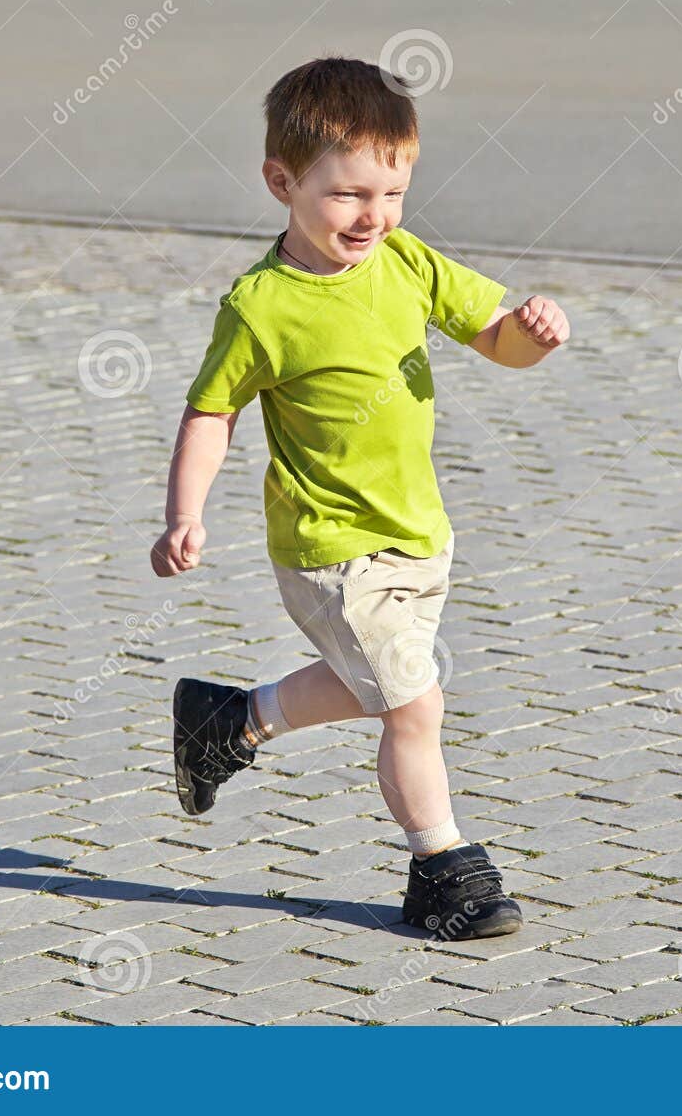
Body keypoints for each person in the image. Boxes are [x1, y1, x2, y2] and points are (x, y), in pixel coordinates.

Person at [149, 56, 569, 940]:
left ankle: (229, 721)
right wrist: (184, 513)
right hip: (330, 547)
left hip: (420, 534)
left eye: (392, 192)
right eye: (347, 196)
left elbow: (492, 337)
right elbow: (211, 413)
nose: (373, 216)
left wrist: (531, 336)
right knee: (414, 705)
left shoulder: (406, 260)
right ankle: (446, 870)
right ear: (282, 183)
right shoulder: (262, 307)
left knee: (374, 684)